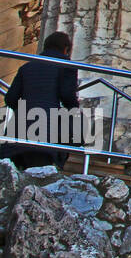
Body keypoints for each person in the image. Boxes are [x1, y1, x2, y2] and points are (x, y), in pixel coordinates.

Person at [2, 32, 80, 170]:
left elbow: (11, 98)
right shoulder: (66, 66)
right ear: (66, 49)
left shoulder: (27, 67)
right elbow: (67, 96)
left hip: (18, 133)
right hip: (47, 132)